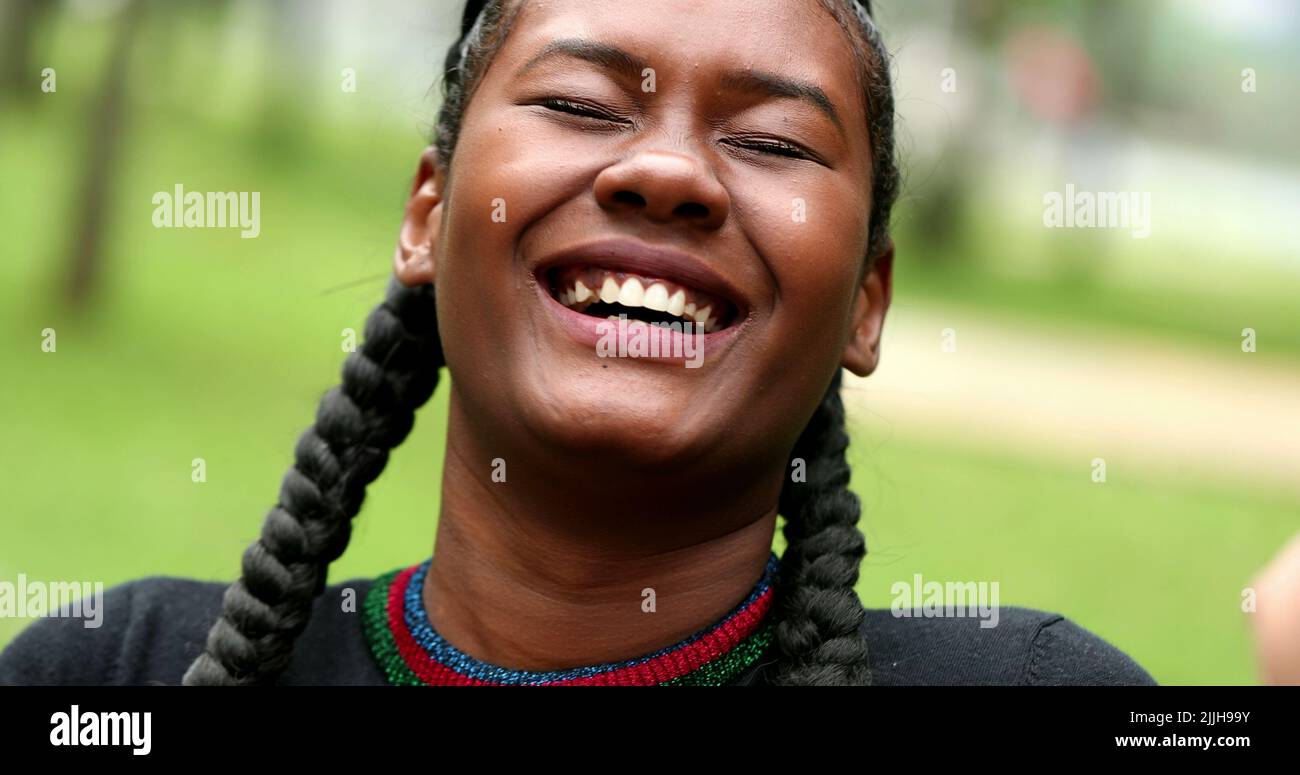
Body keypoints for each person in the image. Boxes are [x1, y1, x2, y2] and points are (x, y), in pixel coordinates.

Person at [0, 0, 1156, 686]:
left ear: (867, 296)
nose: (664, 172)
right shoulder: (111, 673)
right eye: (581, 105)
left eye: (771, 140)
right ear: (427, 214)